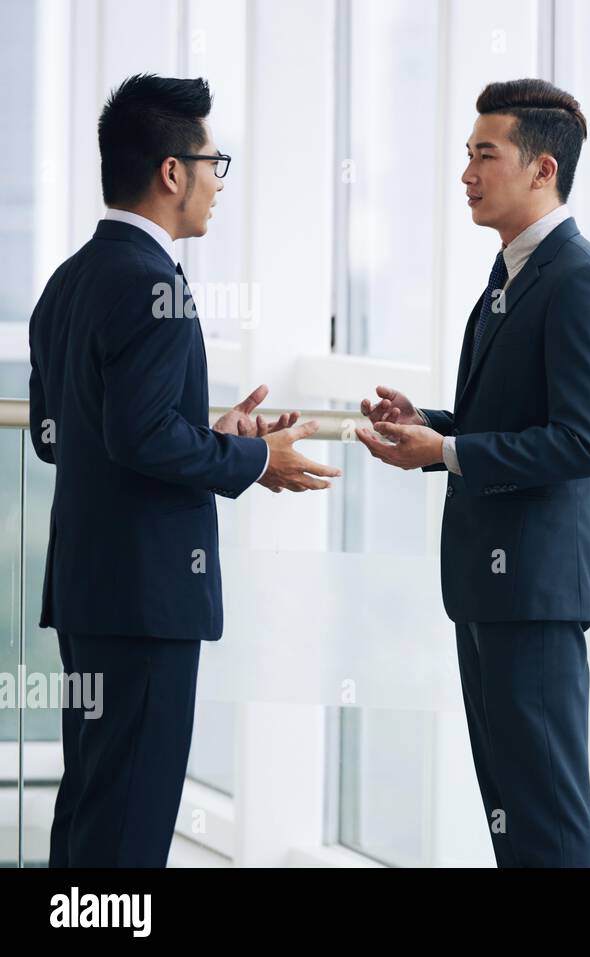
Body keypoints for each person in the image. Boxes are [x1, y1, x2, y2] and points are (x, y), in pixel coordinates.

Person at [28, 73, 340, 867]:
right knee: (130, 825)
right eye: (214, 162)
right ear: (172, 171)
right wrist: (253, 456)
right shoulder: (153, 285)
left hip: (91, 593)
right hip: (145, 602)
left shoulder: (68, 282)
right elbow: (138, 440)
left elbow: (63, 437)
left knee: (94, 809)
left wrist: (206, 430)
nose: (217, 184)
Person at [357, 78, 590, 867]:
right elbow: (512, 421)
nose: (467, 174)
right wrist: (431, 424)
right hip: (490, 587)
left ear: (542, 169)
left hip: (536, 595)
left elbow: (584, 443)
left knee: (544, 815)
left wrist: (446, 452)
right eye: (466, 155)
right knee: (512, 807)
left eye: (485, 155)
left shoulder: (582, 279)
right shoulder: (509, 273)